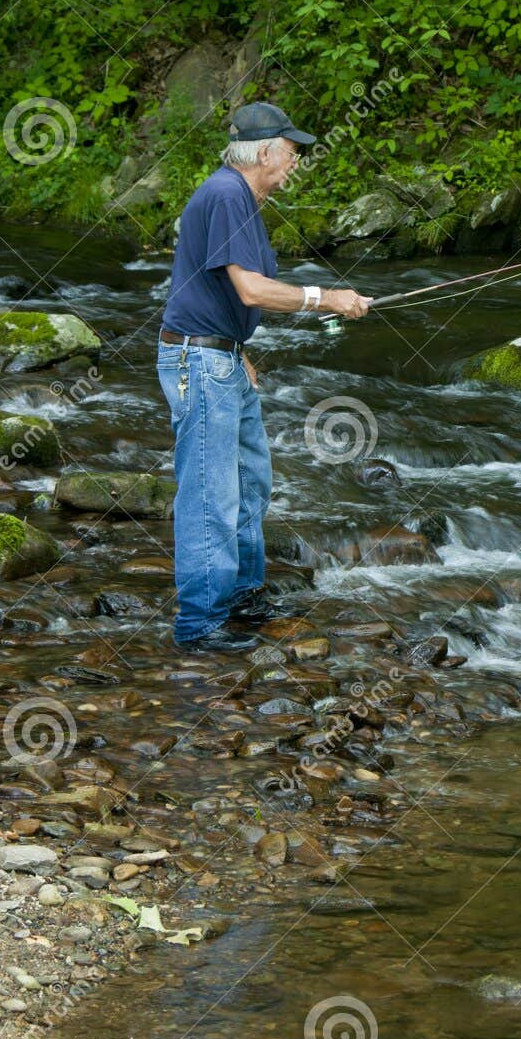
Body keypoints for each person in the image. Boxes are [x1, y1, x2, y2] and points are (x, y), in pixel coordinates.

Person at [157, 101, 372, 652]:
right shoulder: (228, 194)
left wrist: (237, 349)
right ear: (265, 151)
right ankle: (200, 624)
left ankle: (244, 595)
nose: (295, 162)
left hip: (221, 356)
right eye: (292, 151)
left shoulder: (242, 199)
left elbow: (214, 290)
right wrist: (329, 298)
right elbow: (252, 289)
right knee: (211, 494)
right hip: (198, 363)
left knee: (252, 480)